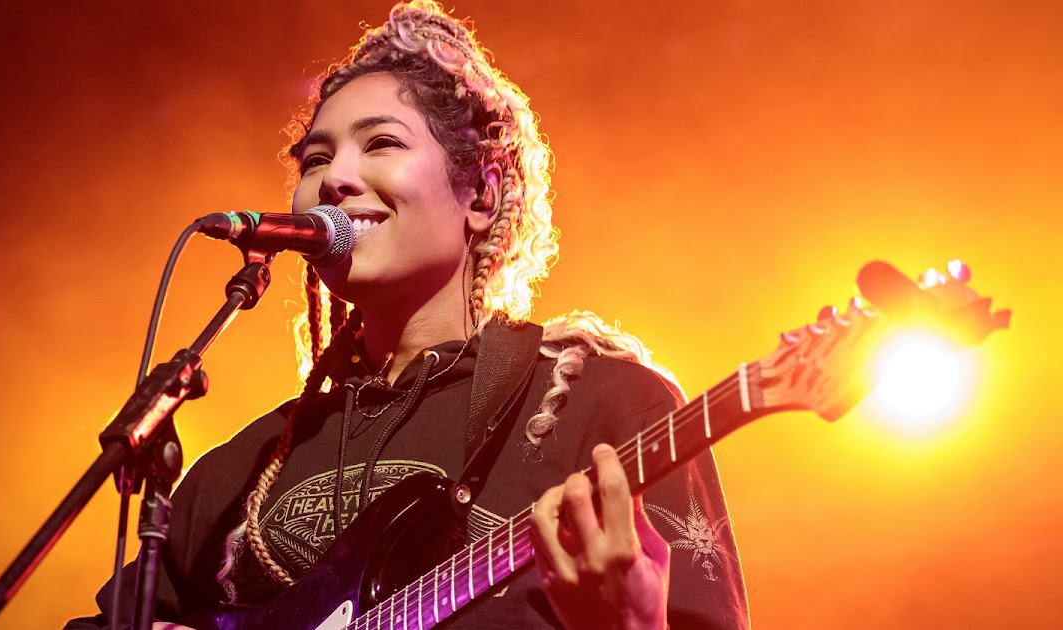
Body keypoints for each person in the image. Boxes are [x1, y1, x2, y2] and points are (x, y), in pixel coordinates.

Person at [66, 2, 750, 628]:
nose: (334, 178)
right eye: (316, 158)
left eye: (381, 143)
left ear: (480, 196)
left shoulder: (603, 408)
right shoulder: (237, 474)